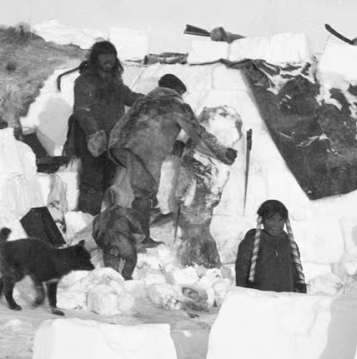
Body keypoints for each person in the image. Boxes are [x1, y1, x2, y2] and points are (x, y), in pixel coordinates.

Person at [108, 74, 237, 240]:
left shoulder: (144, 101)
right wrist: (223, 152)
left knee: (137, 190)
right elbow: (198, 135)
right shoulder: (176, 104)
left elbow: (151, 129)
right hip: (142, 151)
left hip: (117, 146)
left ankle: (142, 218)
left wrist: (177, 148)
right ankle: (141, 237)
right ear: (177, 91)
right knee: (144, 192)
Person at [68, 40, 136, 215]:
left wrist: (153, 99)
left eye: (112, 56)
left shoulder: (114, 81)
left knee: (110, 181)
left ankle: (106, 223)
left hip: (113, 140)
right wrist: (95, 135)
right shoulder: (85, 81)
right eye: (104, 57)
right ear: (96, 58)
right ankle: (87, 224)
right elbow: (82, 110)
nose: (109, 61)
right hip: (92, 141)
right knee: (92, 182)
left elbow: (129, 97)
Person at [233, 199, 306, 293]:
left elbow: (296, 274)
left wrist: (300, 293)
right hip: (260, 299)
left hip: (286, 301)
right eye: (271, 220)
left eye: (280, 220)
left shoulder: (289, 244)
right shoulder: (251, 243)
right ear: (262, 220)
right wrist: (243, 295)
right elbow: (241, 273)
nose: (276, 225)